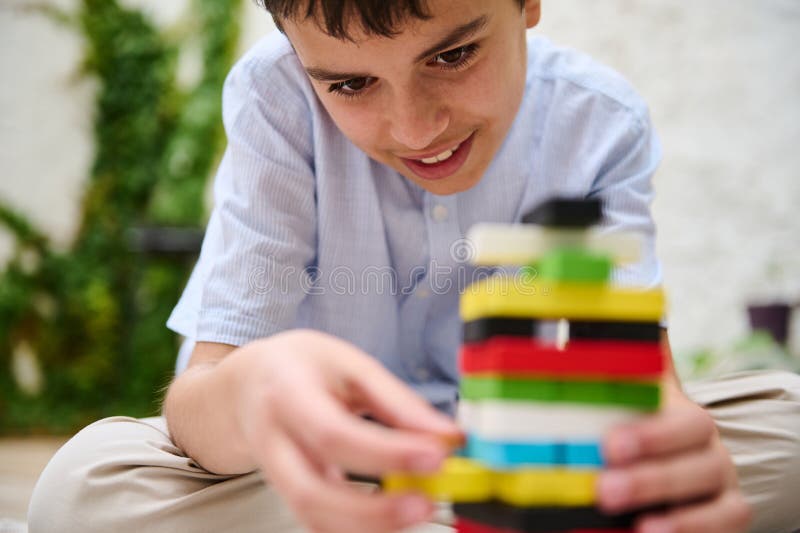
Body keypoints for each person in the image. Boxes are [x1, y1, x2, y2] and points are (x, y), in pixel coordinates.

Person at [28, 1, 800, 532]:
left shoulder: (600, 123)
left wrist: (667, 456)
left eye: (455, 53)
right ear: (302, 62)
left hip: (525, 460)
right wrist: (255, 391)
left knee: (787, 424)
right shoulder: (275, 99)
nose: (415, 127)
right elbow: (199, 406)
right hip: (319, 471)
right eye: (351, 84)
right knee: (84, 486)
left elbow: (645, 390)